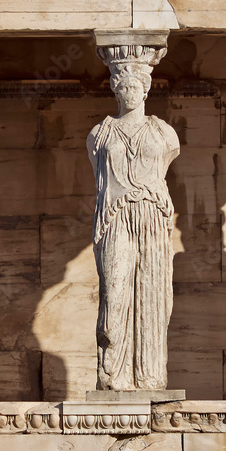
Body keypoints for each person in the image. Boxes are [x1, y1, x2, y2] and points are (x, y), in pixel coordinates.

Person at [87, 67, 181, 391]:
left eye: (134, 86)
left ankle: (148, 377)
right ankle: (113, 375)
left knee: (152, 293)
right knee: (114, 295)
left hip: (152, 216)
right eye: (121, 86)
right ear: (115, 90)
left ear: (145, 90)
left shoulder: (163, 132)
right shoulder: (99, 135)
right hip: (117, 217)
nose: (128, 91)